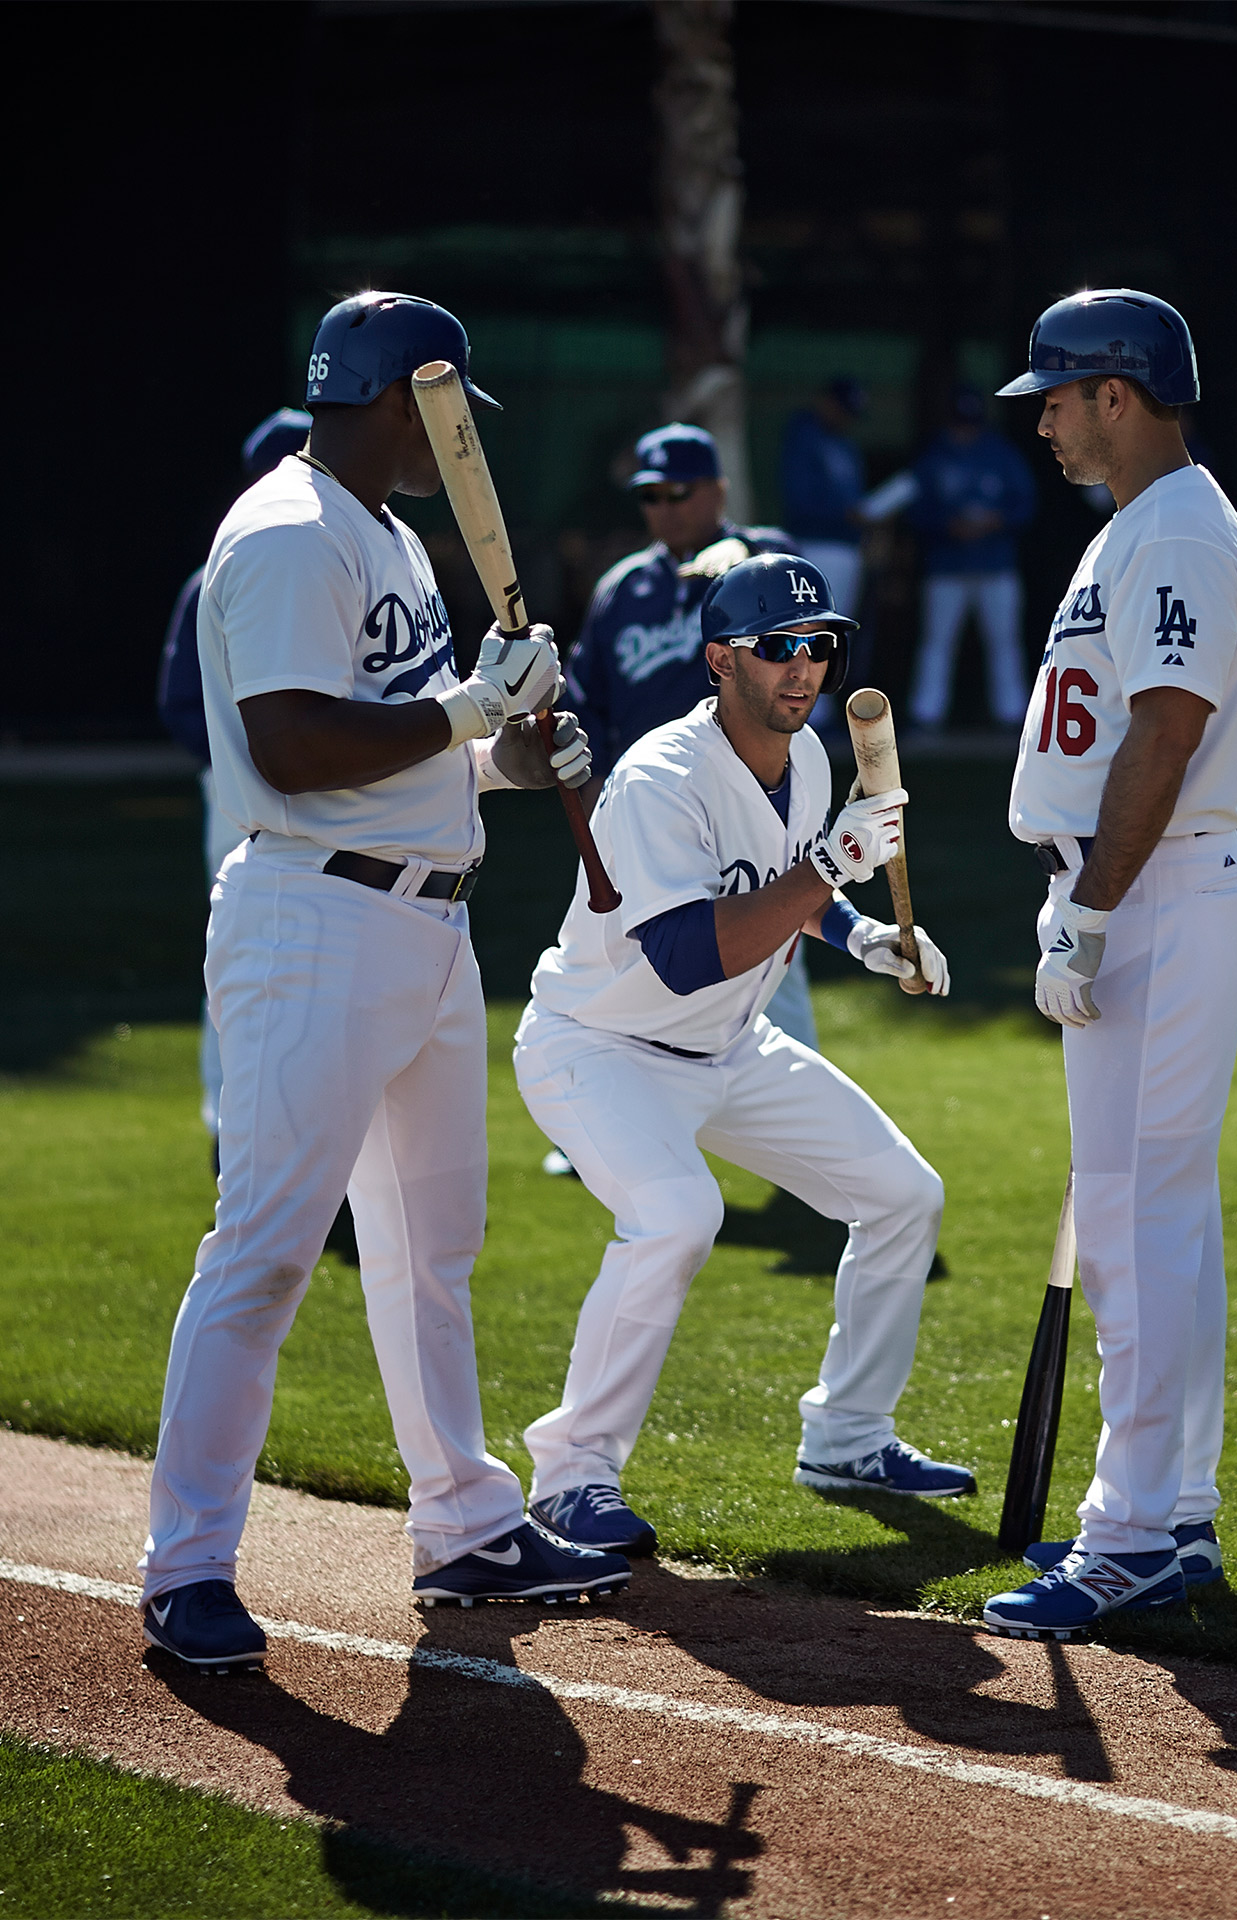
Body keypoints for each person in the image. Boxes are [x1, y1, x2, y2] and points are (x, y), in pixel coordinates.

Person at [139, 291, 630, 1672]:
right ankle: (186, 1567)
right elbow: (294, 747)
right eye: (449, 406)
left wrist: (505, 761)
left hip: (421, 925)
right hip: (315, 919)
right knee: (267, 1251)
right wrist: (473, 708)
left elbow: (400, 742)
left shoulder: (388, 531)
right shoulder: (292, 532)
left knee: (431, 1251)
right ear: (393, 396)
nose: (460, 435)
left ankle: (465, 1520)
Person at [512, 552, 971, 1557]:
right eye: (777, 650)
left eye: (820, 646)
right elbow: (685, 954)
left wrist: (861, 937)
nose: (804, 669)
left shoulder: (805, 758)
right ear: (721, 658)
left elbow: (790, 892)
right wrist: (824, 868)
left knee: (905, 1197)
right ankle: (572, 1477)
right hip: (600, 1048)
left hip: (728, 1046)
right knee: (678, 1214)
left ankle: (849, 1437)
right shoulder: (658, 779)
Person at [980, 289, 1237, 1641]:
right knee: (1159, 1219)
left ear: (1119, 391)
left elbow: (1162, 733)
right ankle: (1176, 1503)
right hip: (1145, 890)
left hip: (1150, 892)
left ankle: (1134, 1531)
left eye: (1055, 393)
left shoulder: (1179, 533)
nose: (1040, 418)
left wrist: (1090, 907)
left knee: (1138, 1226)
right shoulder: (1145, 530)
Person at [561, 422, 820, 1060]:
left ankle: (785, 1112)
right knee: (618, 969)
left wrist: (741, 567)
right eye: (653, 496)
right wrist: (600, 801)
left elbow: (805, 610)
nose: (666, 508)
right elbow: (584, 700)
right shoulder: (623, 590)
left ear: (717, 490)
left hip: (746, 802)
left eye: (682, 492)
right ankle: (590, 1116)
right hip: (652, 810)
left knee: (770, 969)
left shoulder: (759, 561)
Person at [157, 408, 312, 1154]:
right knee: (241, 954)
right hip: (235, 797)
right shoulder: (220, 574)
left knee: (311, 957)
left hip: (323, 797)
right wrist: (239, 762)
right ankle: (229, 1118)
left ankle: (310, 1121)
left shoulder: (345, 562)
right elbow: (181, 701)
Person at [907, 385, 1037, 733]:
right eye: (959, 423)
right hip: (947, 566)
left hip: (996, 564)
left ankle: (1012, 716)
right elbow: (915, 509)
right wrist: (947, 525)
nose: (965, 430)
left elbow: (1026, 503)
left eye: (971, 423)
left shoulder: (1000, 453)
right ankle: (926, 715)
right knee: (937, 643)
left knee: (1004, 643)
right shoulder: (935, 455)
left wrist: (998, 521)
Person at [778, 376, 868, 622]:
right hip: (811, 543)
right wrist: (845, 514)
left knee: (837, 629)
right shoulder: (803, 435)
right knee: (808, 624)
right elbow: (799, 498)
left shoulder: (846, 445)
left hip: (846, 546)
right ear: (826, 402)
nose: (846, 418)